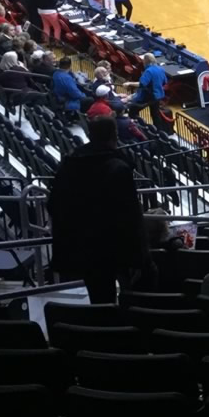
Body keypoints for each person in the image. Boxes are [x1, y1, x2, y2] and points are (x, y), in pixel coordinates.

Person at [47, 115, 146, 304]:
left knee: (99, 299)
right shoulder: (118, 168)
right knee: (132, 298)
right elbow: (131, 217)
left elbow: (53, 205)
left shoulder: (70, 164)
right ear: (114, 135)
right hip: (116, 246)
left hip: (83, 247)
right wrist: (138, 256)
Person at [125, 52, 169, 127]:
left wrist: (129, 83)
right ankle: (159, 131)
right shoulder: (161, 69)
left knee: (133, 110)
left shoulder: (148, 71)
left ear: (146, 61)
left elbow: (142, 84)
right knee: (155, 114)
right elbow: (165, 82)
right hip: (158, 96)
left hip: (148, 96)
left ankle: (138, 126)